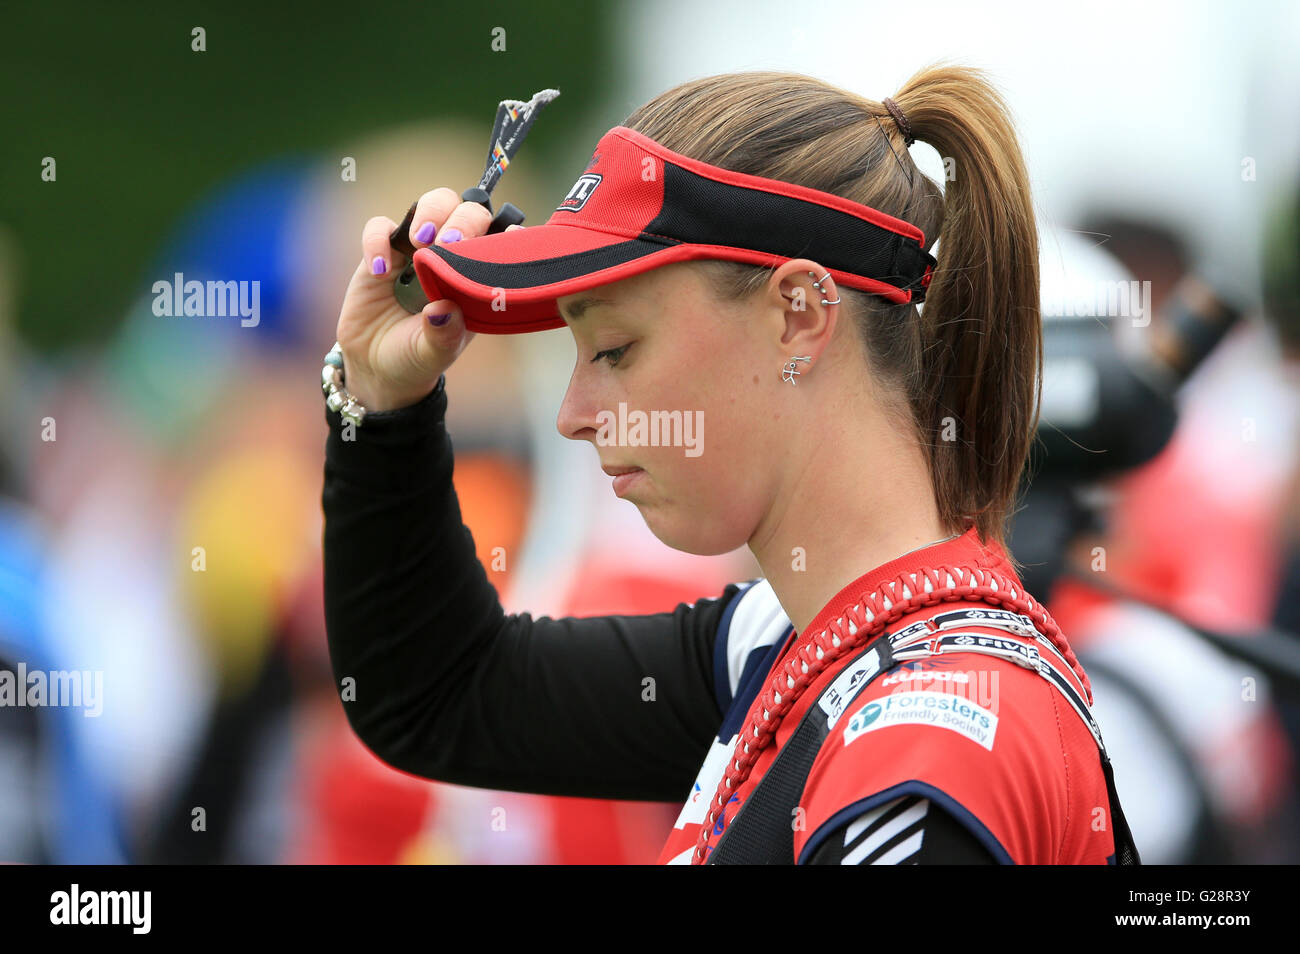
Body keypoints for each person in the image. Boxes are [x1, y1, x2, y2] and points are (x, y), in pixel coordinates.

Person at [320, 65, 1140, 865]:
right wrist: (381, 400)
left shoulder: (924, 752)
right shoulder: (791, 640)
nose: (572, 414)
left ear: (799, 314)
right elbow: (438, 696)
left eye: (614, 348)